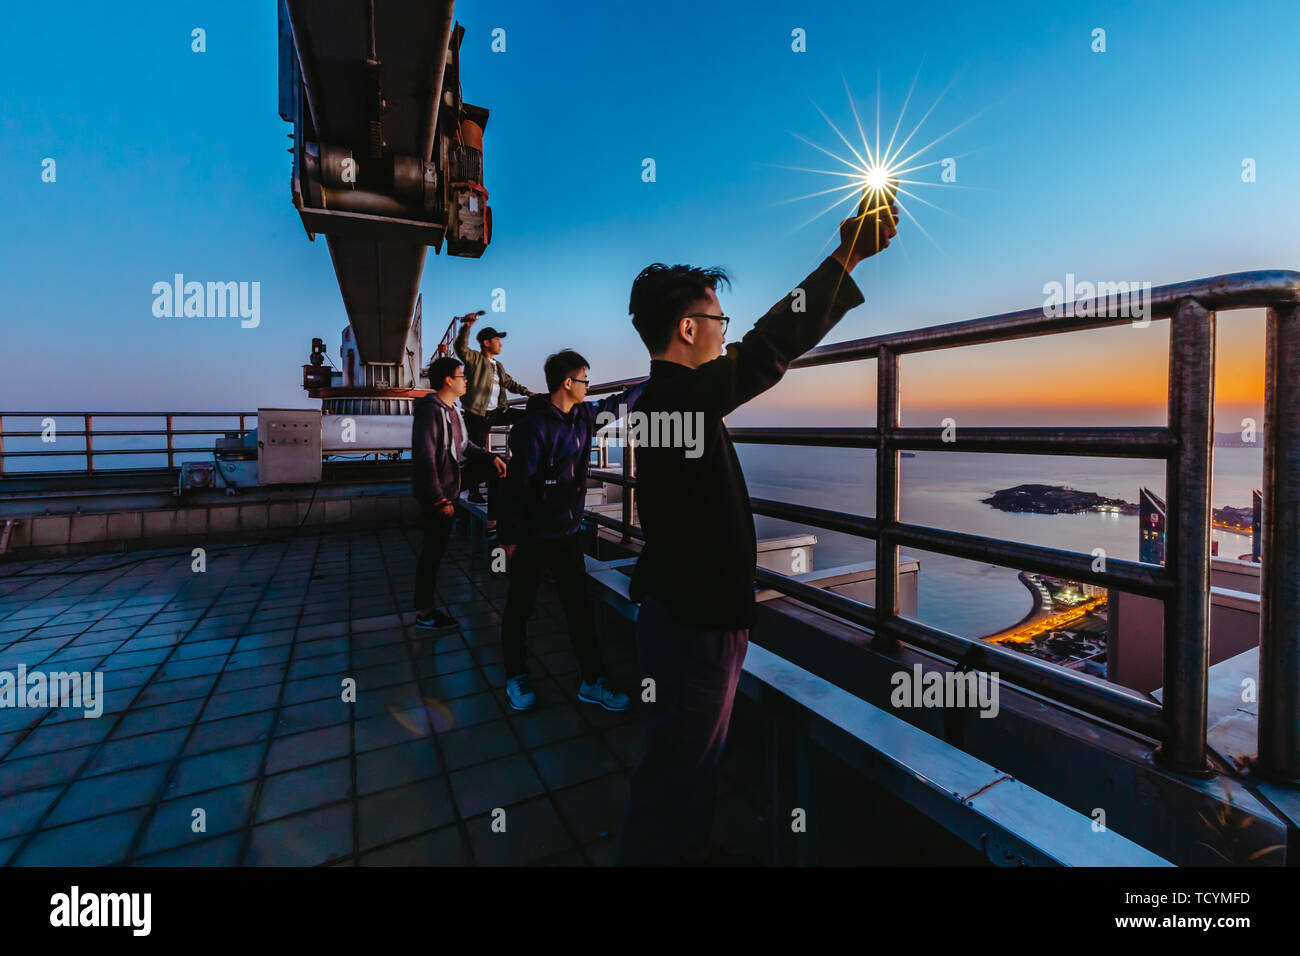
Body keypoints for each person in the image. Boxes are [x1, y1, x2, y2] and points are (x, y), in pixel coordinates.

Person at [614, 193, 899, 866]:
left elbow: (752, 350)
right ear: (687, 328)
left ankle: (674, 849)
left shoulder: (657, 403)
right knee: (680, 768)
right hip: (697, 625)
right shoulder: (679, 400)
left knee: (678, 761)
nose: (726, 331)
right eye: (718, 319)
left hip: (674, 614)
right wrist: (847, 255)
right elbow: (770, 345)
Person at [496, 350, 646, 712]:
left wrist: (658, 377)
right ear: (567, 383)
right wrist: (509, 539)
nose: (588, 386)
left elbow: (620, 403)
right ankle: (515, 676)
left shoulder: (583, 416)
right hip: (532, 535)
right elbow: (517, 487)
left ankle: (592, 682)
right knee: (520, 607)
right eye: (584, 380)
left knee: (579, 609)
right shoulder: (533, 428)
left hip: (566, 532)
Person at [411, 356, 508, 630]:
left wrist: (490, 457)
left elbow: (465, 445)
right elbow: (425, 457)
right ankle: (425, 614)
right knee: (433, 552)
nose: (466, 380)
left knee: (500, 467)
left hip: (451, 481)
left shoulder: (453, 411)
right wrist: (439, 498)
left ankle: (492, 525)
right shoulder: (430, 410)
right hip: (437, 491)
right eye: (461, 376)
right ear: (448, 381)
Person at [454, 313, 535, 504]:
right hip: (477, 415)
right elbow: (460, 348)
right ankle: (473, 491)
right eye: (497, 340)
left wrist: (529, 393)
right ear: (486, 342)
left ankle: (524, 457)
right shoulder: (475, 359)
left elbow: (509, 383)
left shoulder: (498, 365)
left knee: (527, 416)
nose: (501, 344)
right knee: (477, 454)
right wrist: (466, 327)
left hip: (496, 412)